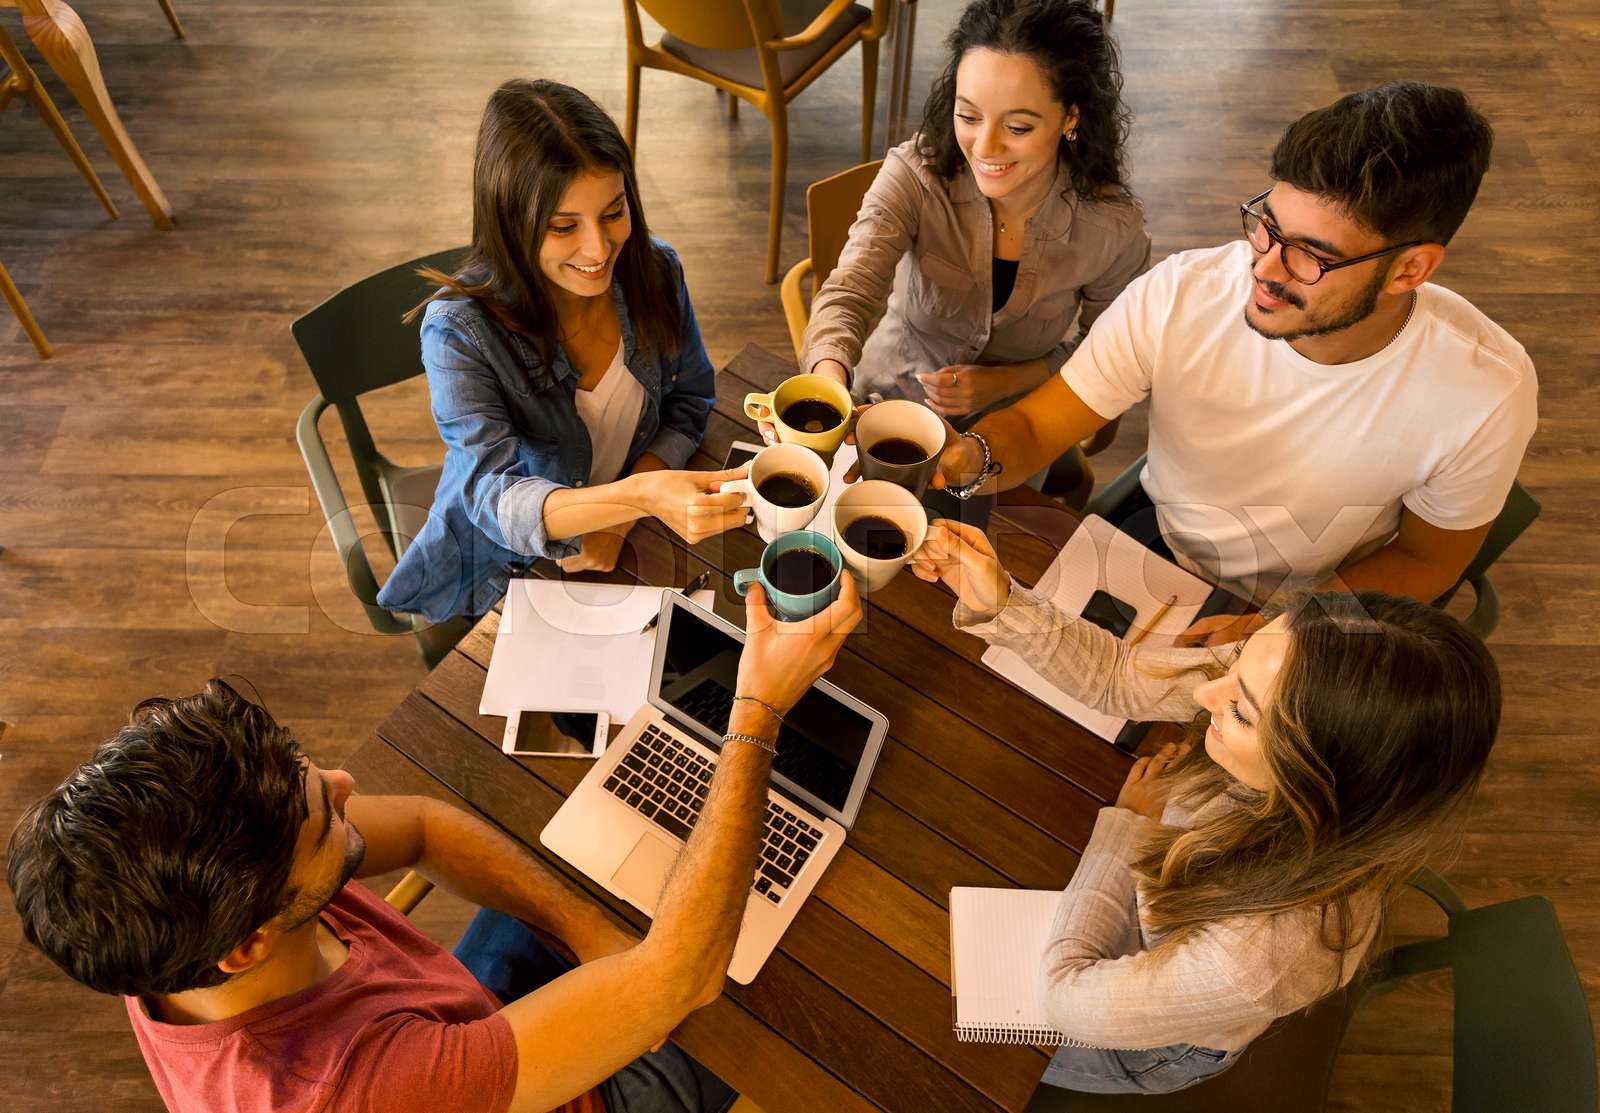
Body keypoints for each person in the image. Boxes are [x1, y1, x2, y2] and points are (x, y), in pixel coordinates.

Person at [7, 578, 863, 1113]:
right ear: (249, 945)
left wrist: (596, 940)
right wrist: (754, 715)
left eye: (310, 774)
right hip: (559, 1092)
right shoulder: (350, 1088)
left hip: (460, 1021)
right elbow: (686, 974)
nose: (344, 784)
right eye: (321, 819)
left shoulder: (169, 910)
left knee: (628, 902)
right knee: (794, 999)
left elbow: (425, 824)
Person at [925, 80, 1537, 635]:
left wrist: (1278, 630)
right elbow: (1036, 425)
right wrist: (967, 457)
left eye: (1312, 256)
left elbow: (1426, 559)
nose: (1263, 269)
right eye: (1266, 225)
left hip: (1318, 606)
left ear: (1409, 269)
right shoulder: (1182, 293)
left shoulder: (1484, 391)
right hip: (1161, 542)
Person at [911, 520, 1499, 1094]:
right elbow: (1122, 678)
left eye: (1241, 711)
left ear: (1322, 777)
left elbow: (1067, 1002)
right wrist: (1001, 601)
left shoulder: (1254, 959)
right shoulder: (1296, 676)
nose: (1200, 695)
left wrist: (1126, 831)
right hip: (1157, 908)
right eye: (1234, 667)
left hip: (1144, 1043)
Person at [377, 79, 742, 624]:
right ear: (510, 224)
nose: (598, 251)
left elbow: (689, 403)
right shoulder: (458, 332)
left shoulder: (656, 271)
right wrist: (638, 498)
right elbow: (491, 496)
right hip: (508, 567)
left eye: (614, 213)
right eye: (563, 227)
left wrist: (622, 513)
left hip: (631, 535)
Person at [778, 0, 1149, 499]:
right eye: (968, 115)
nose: (985, 147)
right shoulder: (916, 173)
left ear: (1071, 117)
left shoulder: (1111, 228)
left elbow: (1107, 353)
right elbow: (850, 290)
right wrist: (831, 384)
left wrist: (1009, 381)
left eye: (1018, 127)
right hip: (881, 403)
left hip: (1012, 438)